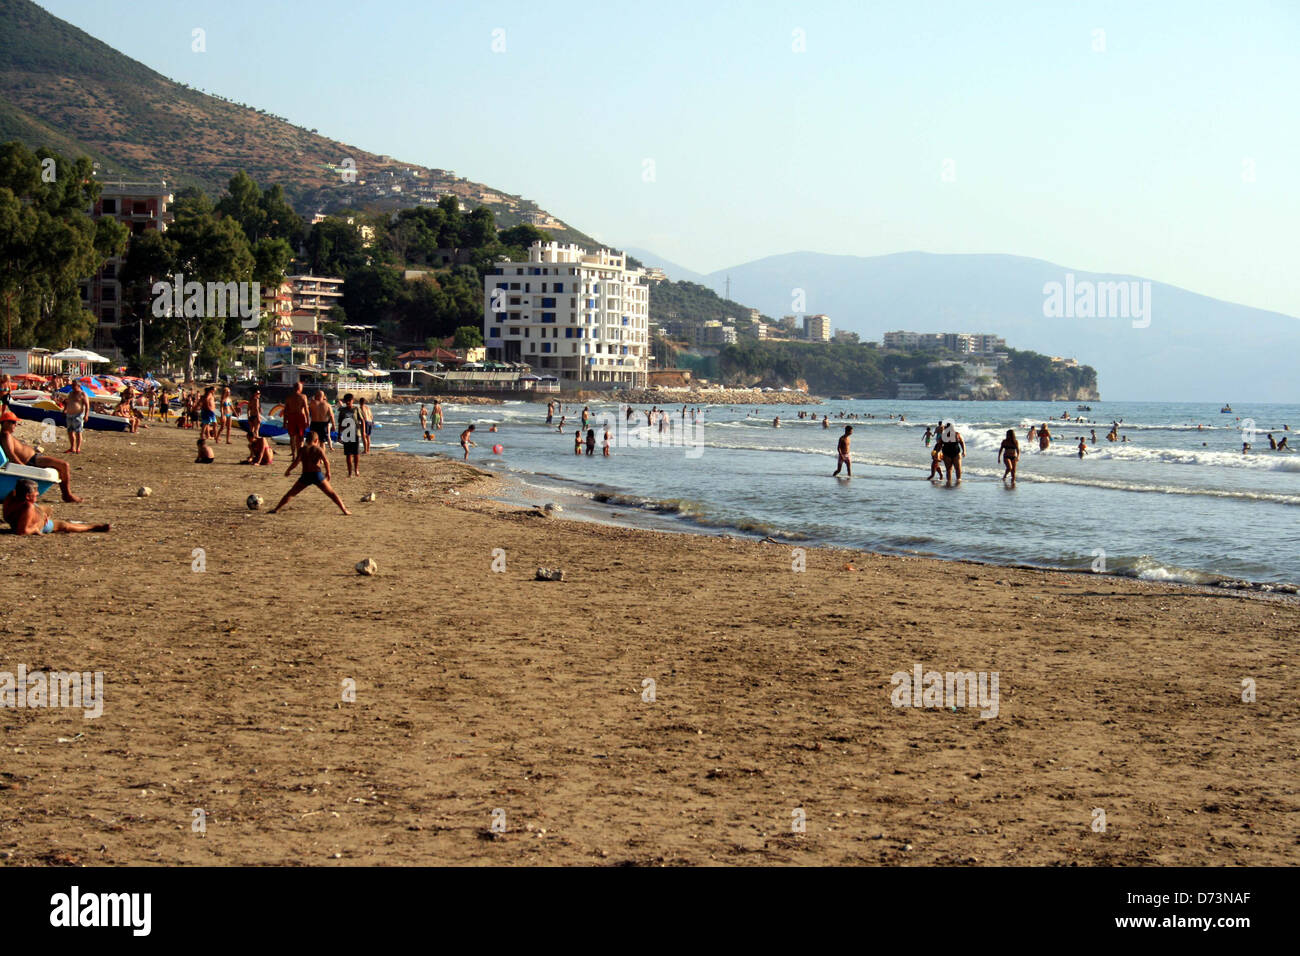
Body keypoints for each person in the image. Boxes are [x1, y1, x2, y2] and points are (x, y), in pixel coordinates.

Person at [0, 410, 81, 502]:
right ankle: (67, 495)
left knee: (61, 468)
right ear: (5, 423)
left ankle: (66, 494)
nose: (15, 424)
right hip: (32, 460)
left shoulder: (8, 435)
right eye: (13, 422)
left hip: (34, 458)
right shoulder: (6, 435)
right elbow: (11, 454)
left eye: (16, 422)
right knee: (64, 465)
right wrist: (22, 468)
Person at [269, 430, 350, 515]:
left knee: (291, 493)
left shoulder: (303, 449)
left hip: (306, 475)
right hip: (317, 474)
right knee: (332, 494)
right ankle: (344, 510)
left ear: (306, 440)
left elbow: (296, 462)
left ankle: (276, 509)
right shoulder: (318, 449)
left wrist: (288, 470)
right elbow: (326, 461)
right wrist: (328, 472)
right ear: (316, 440)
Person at [2, 480, 108, 535]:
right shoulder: (28, 507)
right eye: (36, 493)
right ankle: (91, 527)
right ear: (27, 496)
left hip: (32, 513)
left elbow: (7, 516)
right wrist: (34, 528)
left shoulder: (12, 495)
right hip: (41, 524)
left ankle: (44, 513)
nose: (38, 493)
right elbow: (22, 531)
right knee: (64, 525)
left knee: (48, 509)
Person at [337, 393, 362, 478]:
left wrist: (363, 432)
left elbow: (362, 420)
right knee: (348, 454)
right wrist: (339, 435)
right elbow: (340, 423)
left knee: (356, 453)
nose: (348, 402)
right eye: (346, 401)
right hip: (346, 433)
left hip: (355, 433)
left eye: (349, 401)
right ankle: (350, 472)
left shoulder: (356, 409)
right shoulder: (342, 410)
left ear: (352, 400)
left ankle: (356, 469)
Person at [282, 383, 310, 457]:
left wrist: (284, 422)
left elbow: (285, 411)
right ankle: (299, 454)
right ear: (299, 388)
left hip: (291, 417)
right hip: (300, 417)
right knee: (300, 437)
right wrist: (308, 420)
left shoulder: (289, 398)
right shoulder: (303, 397)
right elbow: (306, 410)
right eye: (302, 387)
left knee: (292, 437)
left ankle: (294, 455)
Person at [940, 423, 966, 487]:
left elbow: (962, 442)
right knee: (949, 469)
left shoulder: (957, 434)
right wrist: (937, 452)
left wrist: (964, 451)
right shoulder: (943, 435)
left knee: (958, 468)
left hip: (956, 453)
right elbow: (939, 444)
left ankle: (958, 480)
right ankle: (949, 481)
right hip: (946, 453)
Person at [63, 385, 87, 454]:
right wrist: (65, 409)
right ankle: (72, 447)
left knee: (78, 432)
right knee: (70, 431)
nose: (73, 387)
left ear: (78, 386)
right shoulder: (71, 393)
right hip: (69, 414)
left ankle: (78, 448)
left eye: (74, 386)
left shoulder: (82, 394)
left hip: (78, 415)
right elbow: (68, 402)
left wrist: (86, 415)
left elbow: (87, 405)